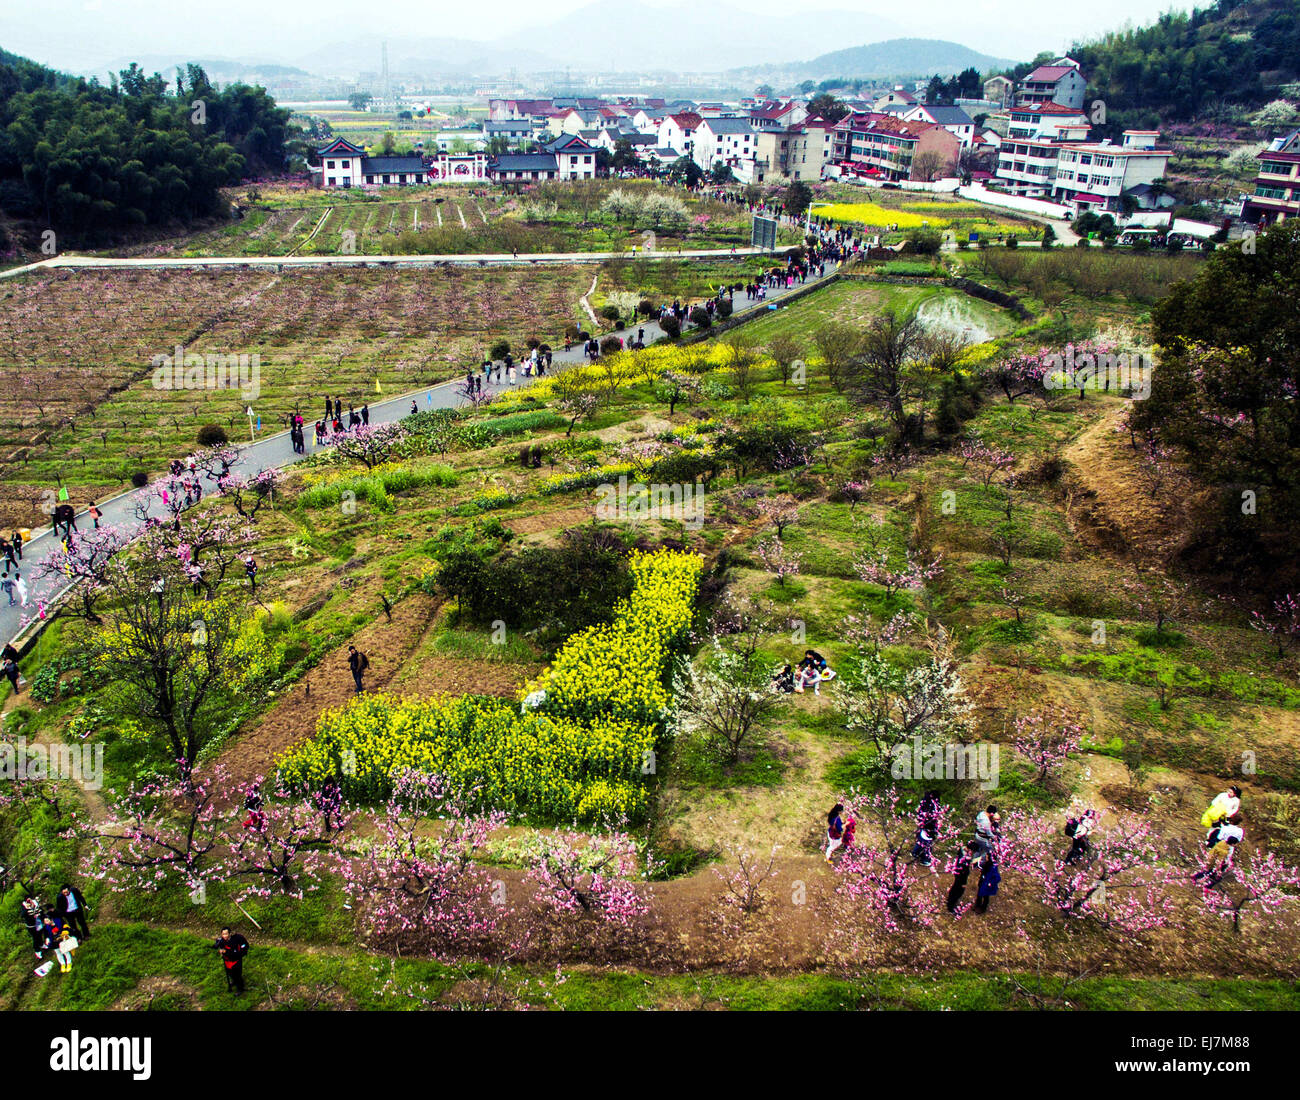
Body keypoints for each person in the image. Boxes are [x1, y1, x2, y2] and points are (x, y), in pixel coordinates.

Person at [214, 928, 250, 994]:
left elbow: (236, 953)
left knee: (237, 975)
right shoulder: (222, 941)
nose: (224, 936)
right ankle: (234, 981)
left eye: (226, 934)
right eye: (223, 934)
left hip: (236, 960)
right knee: (230, 973)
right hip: (227, 961)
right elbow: (217, 946)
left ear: (230, 934)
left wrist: (226, 952)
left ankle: (240, 989)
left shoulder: (236, 940)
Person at [946, 843, 978, 915]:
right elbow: (964, 871)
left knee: (955, 887)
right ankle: (950, 906)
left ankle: (950, 900)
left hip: (957, 872)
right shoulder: (965, 858)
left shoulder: (962, 850)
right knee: (959, 891)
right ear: (970, 850)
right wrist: (964, 883)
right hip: (961, 876)